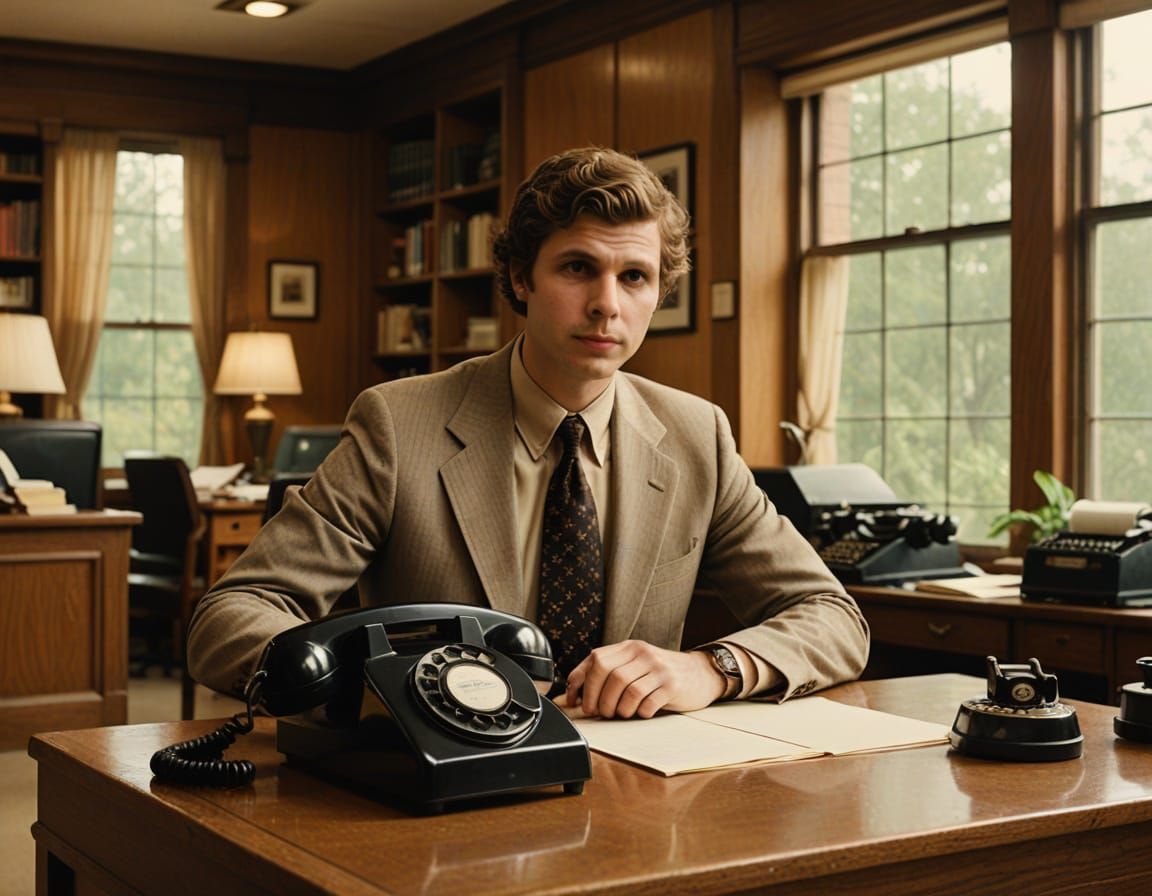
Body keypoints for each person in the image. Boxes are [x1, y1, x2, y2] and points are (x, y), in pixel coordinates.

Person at [188, 146, 869, 719]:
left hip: (638, 795)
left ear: (657, 295)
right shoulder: (399, 423)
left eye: (634, 277)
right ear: (521, 276)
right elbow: (232, 618)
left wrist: (712, 668)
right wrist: (373, 691)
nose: (607, 303)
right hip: (437, 788)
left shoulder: (698, 435)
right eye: (578, 268)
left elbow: (832, 618)